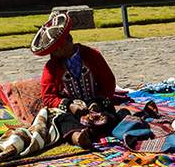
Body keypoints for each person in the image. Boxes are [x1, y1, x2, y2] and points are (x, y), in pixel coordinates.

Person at [32, 11, 118, 148]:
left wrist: (98, 102)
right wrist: (69, 105)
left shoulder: (92, 56)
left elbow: (108, 82)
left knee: (108, 114)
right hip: (70, 110)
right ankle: (78, 137)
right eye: (52, 50)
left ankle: (102, 127)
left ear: (69, 40)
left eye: (58, 48)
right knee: (61, 120)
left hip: (95, 103)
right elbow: (48, 96)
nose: (55, 53)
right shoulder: (52, 66)